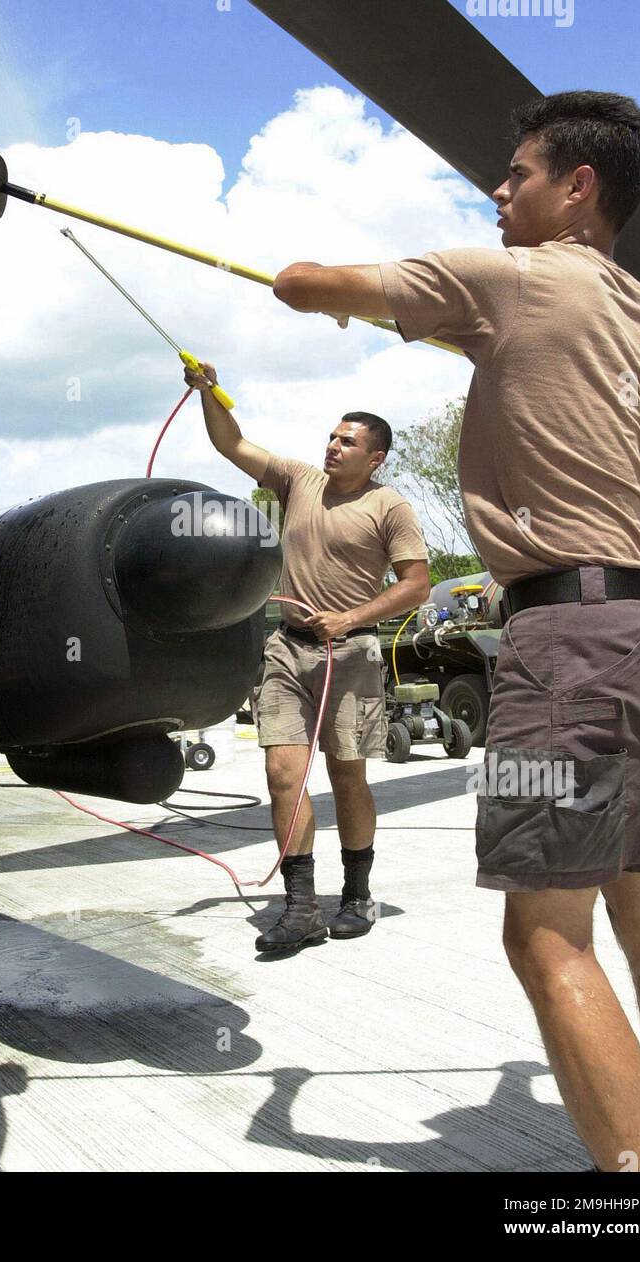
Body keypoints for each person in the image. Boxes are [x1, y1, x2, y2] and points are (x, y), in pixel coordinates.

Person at [271, 90, 640, 1172]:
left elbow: (298, 281)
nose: (498, 192)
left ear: (576, 187)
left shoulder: (510, 276)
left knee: (546, 936)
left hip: (568, 643)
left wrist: (344, 302)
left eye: (516, 175)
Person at [182, 362, 430, 952]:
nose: (333, 445)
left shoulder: (389, 506)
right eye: (332, 435)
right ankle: (300, 909)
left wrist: (351, 617)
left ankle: (357, 895)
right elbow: (232, 442)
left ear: (375, 459)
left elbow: (416, 584)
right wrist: (208, 392)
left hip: (351, 653)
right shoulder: (297, 480)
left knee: (348, 776)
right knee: (282, 775)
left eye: (348, 441)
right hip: (288, 652)